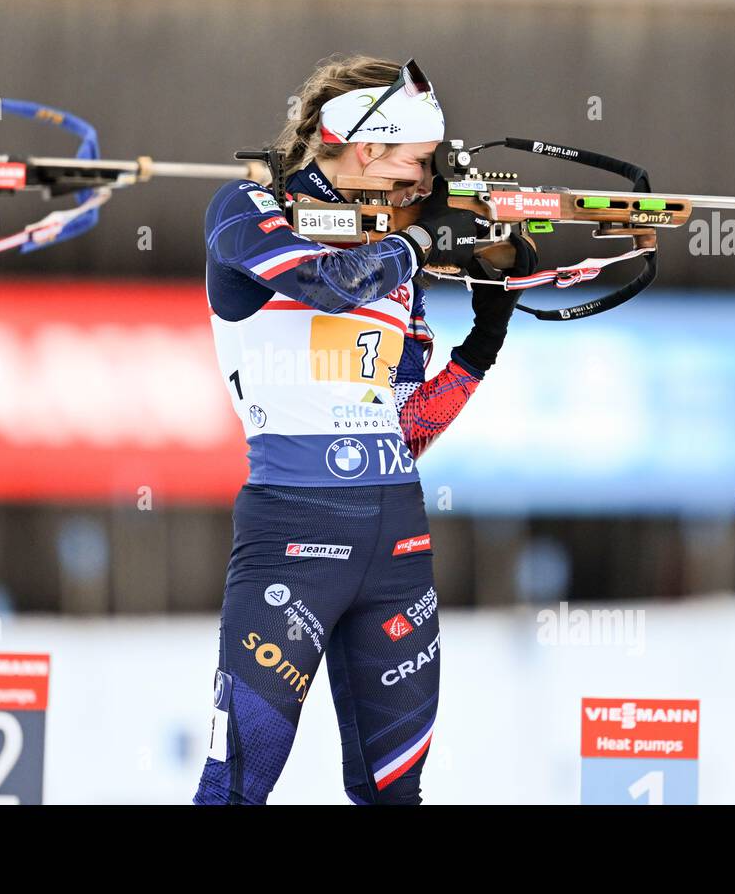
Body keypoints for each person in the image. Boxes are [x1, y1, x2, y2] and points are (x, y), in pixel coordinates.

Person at [194, 55, 536, 804]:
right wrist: (417, 244)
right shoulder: (246, 208)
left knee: (393, 792)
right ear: (366, 146)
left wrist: (484, 340)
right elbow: (325, 284)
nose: (422, 186)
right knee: (236, 785)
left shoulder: (394, 257)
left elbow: (407, 428)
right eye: (414, 164)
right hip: (294, 531)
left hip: (397, 540)